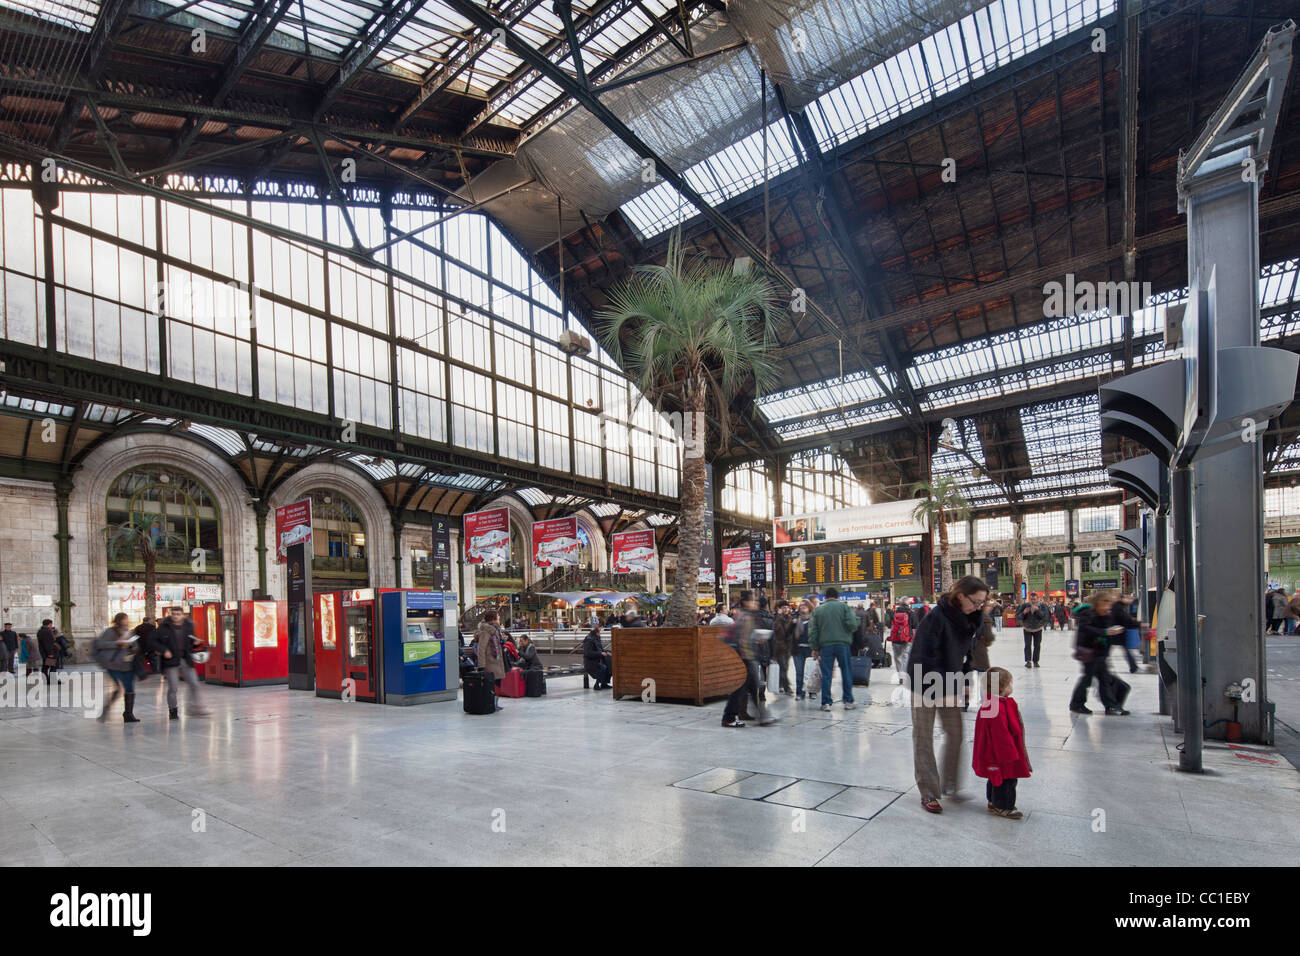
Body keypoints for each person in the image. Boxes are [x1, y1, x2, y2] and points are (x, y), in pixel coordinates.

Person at [910, 575, 987, 814]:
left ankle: (950, 785)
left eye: (982, 602)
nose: (978, 606)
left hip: (949, 682)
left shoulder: (973, 619)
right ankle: (929, 792)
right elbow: (924, 655)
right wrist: (940, 688)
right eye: (975, 601)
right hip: (924, 680)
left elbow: (968, 653)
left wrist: (964, 680)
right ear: (960, 595)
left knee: (956, 734)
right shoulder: (936, 617)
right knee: (924, 737)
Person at [972, 667, 1031, 820]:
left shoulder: (993, 704)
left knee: (995, 777)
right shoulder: (996, 707)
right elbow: (1000, 734)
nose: (1012, 686)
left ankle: (993, 801)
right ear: (1003, 687)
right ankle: (1003, 806)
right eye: (1011, 683)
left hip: (995, 752)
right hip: (1002, 753)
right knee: (1006, 778)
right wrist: (1010, 753)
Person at [1069, 589, 1130, 716]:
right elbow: (1086, 629)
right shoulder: (1088, 613)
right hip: (1089, 651)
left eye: (1110, 604)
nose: (1108, 607)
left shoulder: (1104, 614)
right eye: (1106, 604)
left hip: (1099, 652)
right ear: (1099, 603)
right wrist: (1106, 632)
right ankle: (1109, 706)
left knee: (1096, 678)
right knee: (1095, 679)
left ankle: (1079, 704)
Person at [720, 590, 776, 728]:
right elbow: (741, 639)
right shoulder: (744, 616)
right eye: (752, 600)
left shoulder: (746, 615)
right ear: (745, 602)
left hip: (747, 657)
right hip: (745, 658)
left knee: (752, 687)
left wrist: (756, 639)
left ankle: (762, 716)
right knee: (742, 688)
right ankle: (729, 718)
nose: (755, 603)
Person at [151, 607, 211, 719]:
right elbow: (152, 641)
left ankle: (195, 708)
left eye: (178, 614)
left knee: (194, 683)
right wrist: (164, 650)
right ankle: (173, 711)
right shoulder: (164, 627)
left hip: (185, 659)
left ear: (183, 615)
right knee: (173, 687)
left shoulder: (188, 626)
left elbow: (191, 642)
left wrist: (196, 643)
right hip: (171, 661)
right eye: (173, 614)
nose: (175, 616)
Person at [809, 586, 859, 712]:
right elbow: (852, 625)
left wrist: (815, 647)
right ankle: (848, 701)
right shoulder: (844, 607)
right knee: (846, 672)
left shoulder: (818, 610)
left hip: (826, 646)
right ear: (837, 596)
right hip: (843, 645)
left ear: (825, 597)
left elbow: (813, 631)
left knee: (826, 674)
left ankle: (826, 703)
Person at [93, 612, 141, 723]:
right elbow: (100, 644)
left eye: (127, 619)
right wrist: (117, 643)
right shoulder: (110, 631)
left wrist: (130, 645)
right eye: (125, 619)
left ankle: (128, 714)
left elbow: (136, 647)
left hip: (127, 664)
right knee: (118, 689)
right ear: (119, 620)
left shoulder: (130, 632)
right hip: (113, 664)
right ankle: (106, 709)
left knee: (130, 690)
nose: (127, 621)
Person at [474, 609, 507, 709]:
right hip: (490, 662)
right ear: (493, 618)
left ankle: (495, 703)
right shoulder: (487, 630)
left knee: (498, 682)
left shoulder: (496, 629)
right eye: (498, 616)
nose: (499, 618)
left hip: (496, 661)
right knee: (493, 683)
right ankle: (491, 703)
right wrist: (481, 666)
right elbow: (481, 648)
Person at [770, 601, 795, 695]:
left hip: (788, 646)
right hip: (779, 646)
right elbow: (775, 629)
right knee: (783, 667)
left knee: (785, 667)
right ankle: (787, 687)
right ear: (779, 609)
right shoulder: (776, 618)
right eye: (783, 607)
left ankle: (780, 684)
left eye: (787, 607)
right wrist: (778, 617)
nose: (786, 609)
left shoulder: (790, 618)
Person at [792, 600, 814, 700]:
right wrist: (792, 624)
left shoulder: (814, 619)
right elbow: (788, 633)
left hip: (810, 649)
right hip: (798, 649)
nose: (802, 608)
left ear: (809, 607)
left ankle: (812, 692)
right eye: (801, 607)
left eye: (804, 606)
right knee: (799, 672)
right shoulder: (795, 619)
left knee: (811, 672)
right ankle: (800, 693)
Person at [1018, 598, 1048, 668]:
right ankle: (1028, 661)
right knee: (1027, 645)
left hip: (1038, 628)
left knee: (1037, 645)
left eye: (1035, 599)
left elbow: (1044, 616)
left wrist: (1038, 610)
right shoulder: (1024, 606)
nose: (1033, 601)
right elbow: (1018, 616)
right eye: (1031, 599)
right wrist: (1024, 613)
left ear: (1037, 599)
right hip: (1027, 628)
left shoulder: (1042, 606)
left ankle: (1036, 661)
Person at [887, 604, 912, 682]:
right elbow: (915, 625)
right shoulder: (910, 614)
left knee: (897, 657)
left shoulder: (894, 614)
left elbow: (888, 624)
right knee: (905, 656)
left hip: (895, 639)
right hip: (907, 638)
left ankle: (900, 676)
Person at [582, 625, 612, 690]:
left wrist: (606, 652)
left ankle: (604, 683)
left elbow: (600, 649)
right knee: (603, 667)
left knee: (610, 665)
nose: (600, 634)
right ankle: (597, 684)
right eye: (600, 632)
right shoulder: (589, 640)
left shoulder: (596, 638)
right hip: (590, 662)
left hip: (597, 660)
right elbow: (588, 653)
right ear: (596, 633)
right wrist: (600, 653)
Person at [37, 619, 56, 685]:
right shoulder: (46, 631)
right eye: (51, 624)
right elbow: (47, 643)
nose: (51, 626)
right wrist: (50, 653)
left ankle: (46, 680)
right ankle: (51, 680)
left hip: (45, 653)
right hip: (48, 653)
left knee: (46, 667)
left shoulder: (41, 631)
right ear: (49, 624)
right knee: (52, 667)